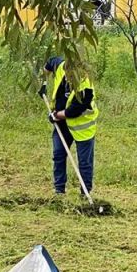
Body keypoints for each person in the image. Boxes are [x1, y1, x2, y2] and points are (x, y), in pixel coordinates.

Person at [40, 57, 98, 195]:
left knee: (84, 163)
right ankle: (59, 190)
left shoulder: (85, 84)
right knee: (58, 155)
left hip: (82, 127)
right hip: (62, 125)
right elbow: (49, 64)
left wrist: (56, 115)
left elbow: (75, 110)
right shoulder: (60, 66)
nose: (67, 76)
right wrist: (42, 83)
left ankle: (85, 193)